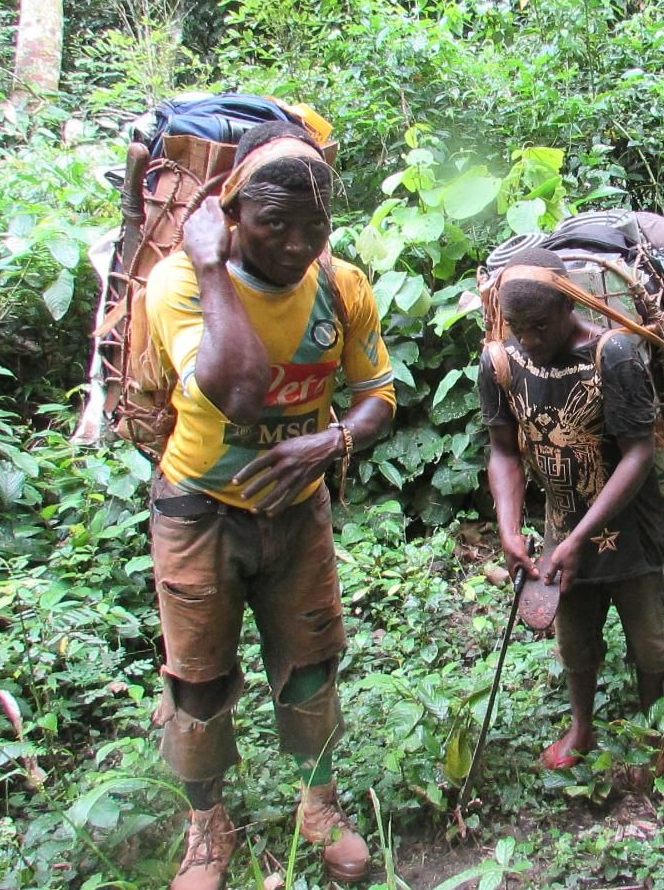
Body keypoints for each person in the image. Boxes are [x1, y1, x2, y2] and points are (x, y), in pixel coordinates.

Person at [144, 121, 395, 889]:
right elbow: (240, 387)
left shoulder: (342, 285)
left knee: (312, 663)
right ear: (230, 217)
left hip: (298, 514)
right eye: (273, 222)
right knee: (198, 678)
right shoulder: (181, 285)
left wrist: (330, 444)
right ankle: (204, 829)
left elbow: (377, 395)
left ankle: (318, 806)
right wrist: (215, 270)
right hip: (200, 509)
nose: (296, 243)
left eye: (314, 224)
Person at [479, 246, 664, 770]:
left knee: (649, 640)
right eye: (517, 326)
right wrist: (509, 528)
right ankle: (581, 728)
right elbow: (503, 450)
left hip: (628, 524)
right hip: (561, 521)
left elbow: (638, 455)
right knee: (574, 637)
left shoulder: (611, 354)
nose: (529, 339)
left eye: (540, 325)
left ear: (571, 305)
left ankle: (658, 729)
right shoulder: (500, 360)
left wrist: (580, 536)